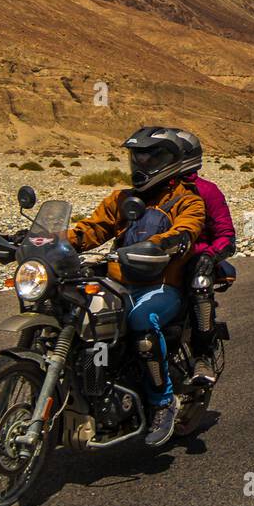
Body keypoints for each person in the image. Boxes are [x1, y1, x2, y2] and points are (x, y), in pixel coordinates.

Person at [66, 127, 205, 446]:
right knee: (76, 313)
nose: (140, 163)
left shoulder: (187, 201)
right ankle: (87, 389)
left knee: (142, 321)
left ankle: (162, 402)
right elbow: (93, 229)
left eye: (149, 156)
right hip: (118, 281)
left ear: (169, 161)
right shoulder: (123, 199)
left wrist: (163, 243)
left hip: (162, 284)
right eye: (136, 156)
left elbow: (187, 229)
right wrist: (47, 241)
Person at [179, 158, 236, 387]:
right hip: (153, 261)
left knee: (199, 283)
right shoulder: (146, 193)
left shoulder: (205, 191)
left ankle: (202, 355)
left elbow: (226, 235)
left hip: (194, 261)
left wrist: (209, 257)